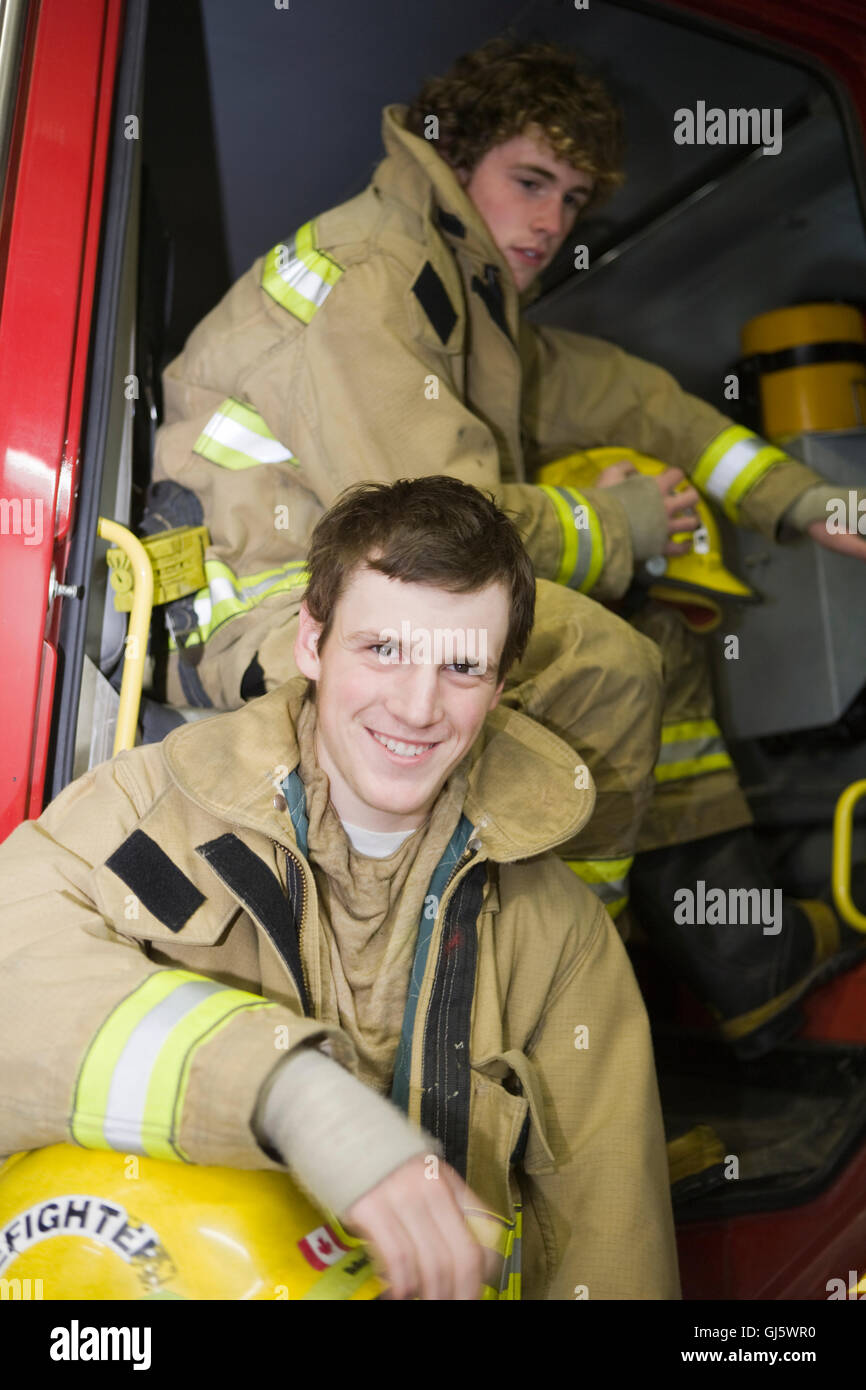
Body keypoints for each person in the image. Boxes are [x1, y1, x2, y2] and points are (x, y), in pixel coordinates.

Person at [145, 36, 865, 1052]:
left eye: (571, 199)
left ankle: (718, 969)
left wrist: (812, 504)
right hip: (275, 617)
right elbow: (431, 527)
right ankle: (555, 997)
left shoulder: (472, 305)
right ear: (457, 154)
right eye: (530, 181)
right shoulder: (380, 271)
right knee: (612, 660)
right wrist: (619, 524)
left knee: (661, 639)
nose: (549, 221)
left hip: (351, 597)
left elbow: (638, 401)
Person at [0, 477, 679, 1301]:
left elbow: (614, 1250)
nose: (418, 705)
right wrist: (298, 1098)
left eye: (462, 666)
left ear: (498, 688)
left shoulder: (559, 934)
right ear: (311, 643)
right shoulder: (148, 817)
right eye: (383, 649)